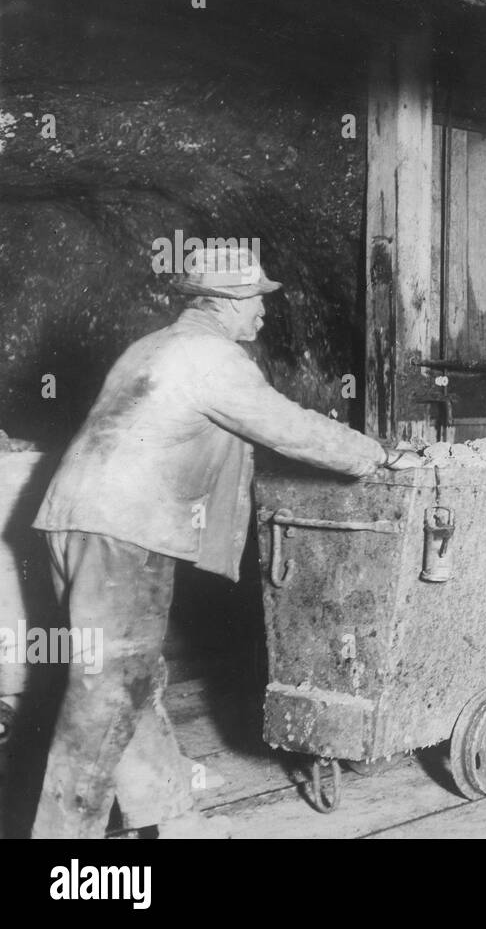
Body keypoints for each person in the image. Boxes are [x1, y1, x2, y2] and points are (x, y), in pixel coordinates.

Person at [29, 246, 419, 837]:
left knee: (127, 680)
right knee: (104, 700)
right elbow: (283, 425)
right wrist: (378, 456)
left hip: (71, 519)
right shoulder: (212, 356)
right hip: (122, 535)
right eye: (257, 299)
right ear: (227, 301)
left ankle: (174, 820)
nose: (263, 312)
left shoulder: (151, 346)